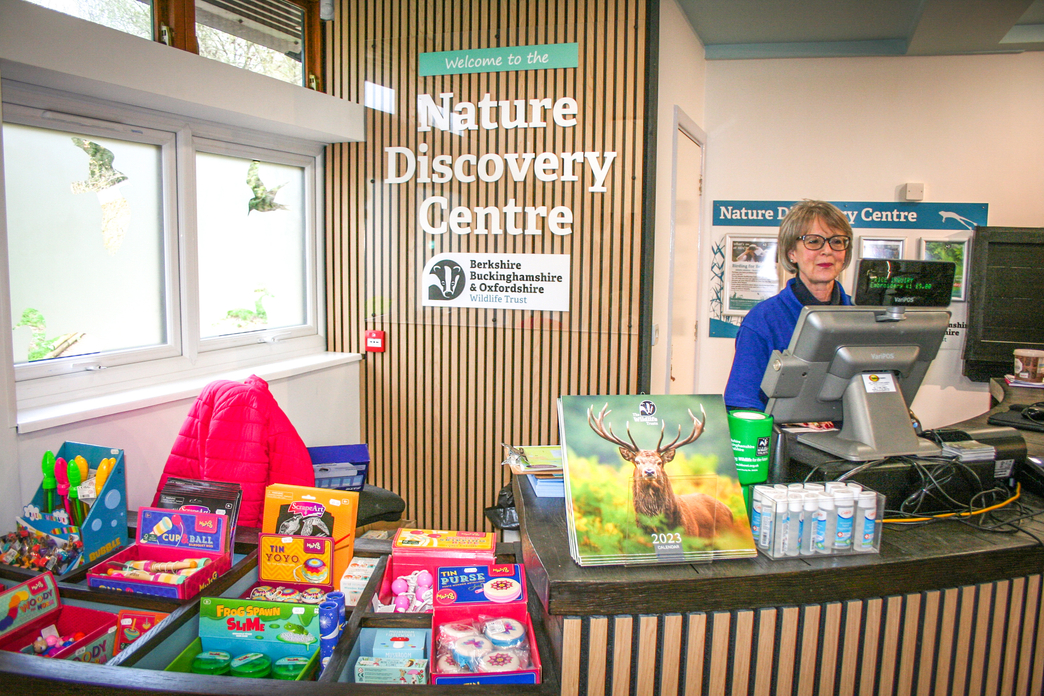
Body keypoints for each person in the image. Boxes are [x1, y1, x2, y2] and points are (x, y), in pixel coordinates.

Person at [724, 200, 854, 411]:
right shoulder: (762, 321)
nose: (827, 251)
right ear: (791, 253)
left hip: (849, 439)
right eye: (814, 241)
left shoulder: (862, 317)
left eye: (837, 242)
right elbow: (743, 405)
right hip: (784, 440)